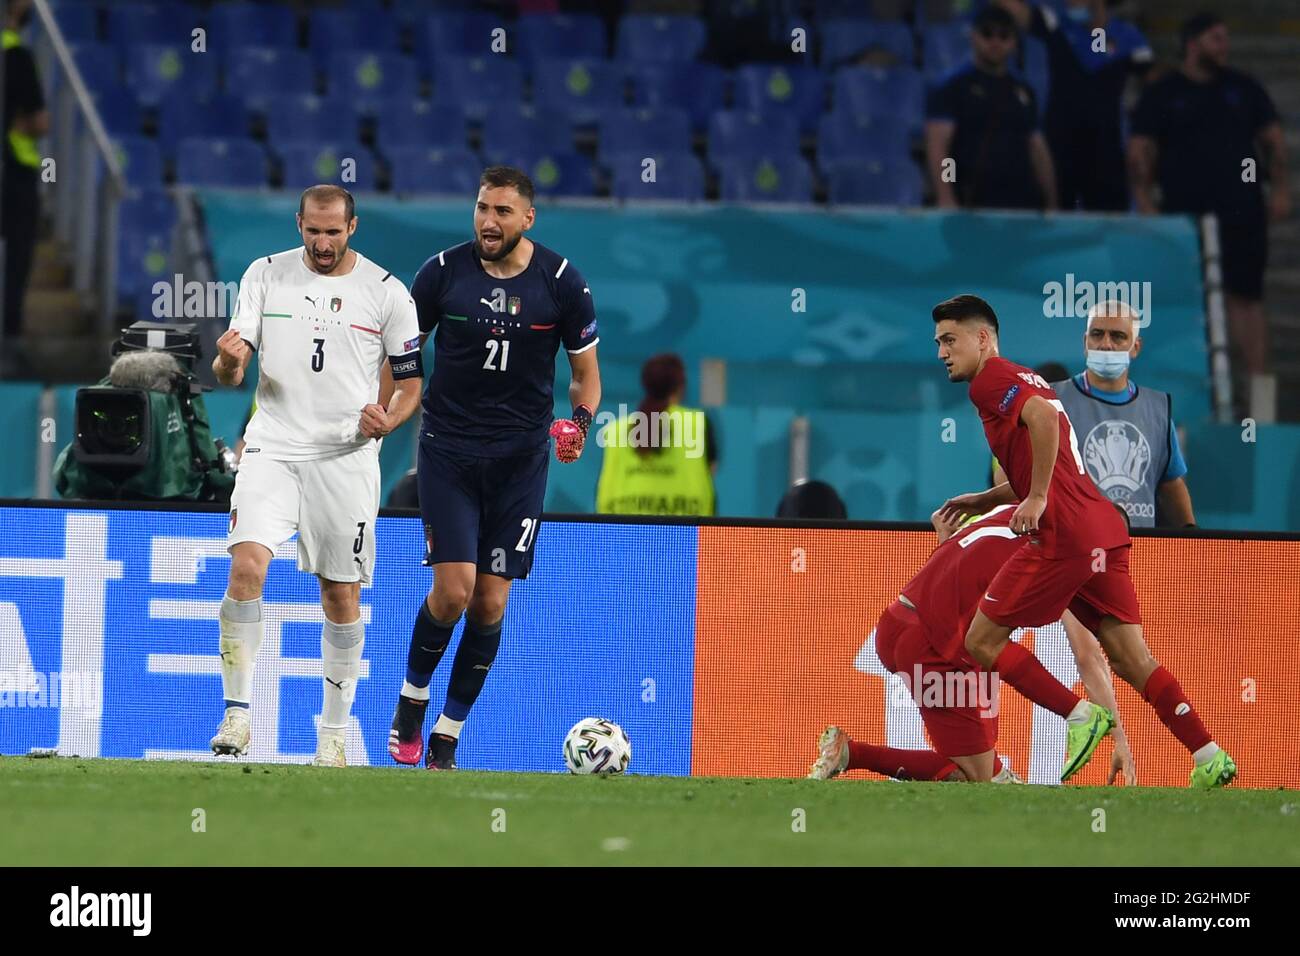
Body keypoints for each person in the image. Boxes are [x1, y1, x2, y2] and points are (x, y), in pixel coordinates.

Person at [931, 293, 1234, 788]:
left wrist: (1036, 500)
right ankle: (1208, 754)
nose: (942, 352)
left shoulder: (990, 382)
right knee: (1131, 657)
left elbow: (1045, 425)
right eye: (939, 342)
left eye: (950, 339)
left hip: (1064, 534)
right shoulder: (1030, 379)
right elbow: (1051, 454)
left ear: (982, 339)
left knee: (980, 640)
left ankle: (1080, 716)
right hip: (1101, 527)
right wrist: (990, 497)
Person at [390, 166, 602, 770]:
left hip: (520, 463)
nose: (489, 221)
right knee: (453, 591)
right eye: (483, 208)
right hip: (450, 453)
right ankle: (412, 701)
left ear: (528, 218)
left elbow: (586, 377)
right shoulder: (440, 273)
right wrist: (393, 407)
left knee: (490, 603)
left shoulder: (563, 283)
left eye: (503, 211)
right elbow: (402, 356)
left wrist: (578, 426)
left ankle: (447, 737)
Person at [209, 185, 424, 767]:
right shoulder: (265, 274)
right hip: (272, 446)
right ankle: (237, 712)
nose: (322, 243)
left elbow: (409, 385)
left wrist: (389, 419)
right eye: (313, 231)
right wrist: (229, 359)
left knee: (340, 594)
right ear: (298, 223)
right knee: (247, 564)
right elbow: (231, 372)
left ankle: (332, 733)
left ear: (352, 227)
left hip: (345, 457)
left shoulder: (386, 294)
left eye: (333, 232)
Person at [810, 502, 1135, 784]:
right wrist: (1118, 737)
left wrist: (969, 513)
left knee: (983, 657)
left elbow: (960, 567)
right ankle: (852, 753)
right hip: (933, 645)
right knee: (973, 775)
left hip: (903, 624)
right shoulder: (1059, 554)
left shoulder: (1019, 509)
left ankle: (995, 770)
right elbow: (1088, 655)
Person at [1128, 12, 1290, 389]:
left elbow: (1274, 141)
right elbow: (1140, 152)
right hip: (1183, 219)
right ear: (1193, 43)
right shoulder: (1164, 93)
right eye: (1216, 39)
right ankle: (1194, 395)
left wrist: (1280, 189)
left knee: (1246, 301)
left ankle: (1259, 402)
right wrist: (1145, 204)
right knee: (1186, 303)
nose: (1224, 46)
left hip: (1242, 213)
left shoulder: (1243, 88)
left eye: (1225, 38)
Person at [994, 0, 1152, 211]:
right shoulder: (1056, 25)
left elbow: (1156, 85)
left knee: (1109, 225)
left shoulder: (1128, 37)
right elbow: (1011, 7)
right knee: (1056, 223)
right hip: (1060, 147)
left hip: (1106, 151)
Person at [925, 5, 1057, 211]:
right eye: (987, 33)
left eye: (1004, 35)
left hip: (1021, 203)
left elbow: (1037, 149)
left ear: (1014, 43)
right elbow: (941, 148)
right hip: (973, 202)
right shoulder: (952, 87)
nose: (995, 42)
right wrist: (946, 195)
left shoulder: (1024, 91)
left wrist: (1051, 201)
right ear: (973, 37)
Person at [595, 352, 716, 516]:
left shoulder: (614, 430)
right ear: (681, 386)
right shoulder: (698, 424)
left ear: (645, 384)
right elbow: (711, 470)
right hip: (686, 532)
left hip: (624, 532)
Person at [2, 0, 47, 370]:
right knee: (16, 258)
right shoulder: (16, 56)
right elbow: (39, 123)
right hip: (14, 173)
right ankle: (9, 341)